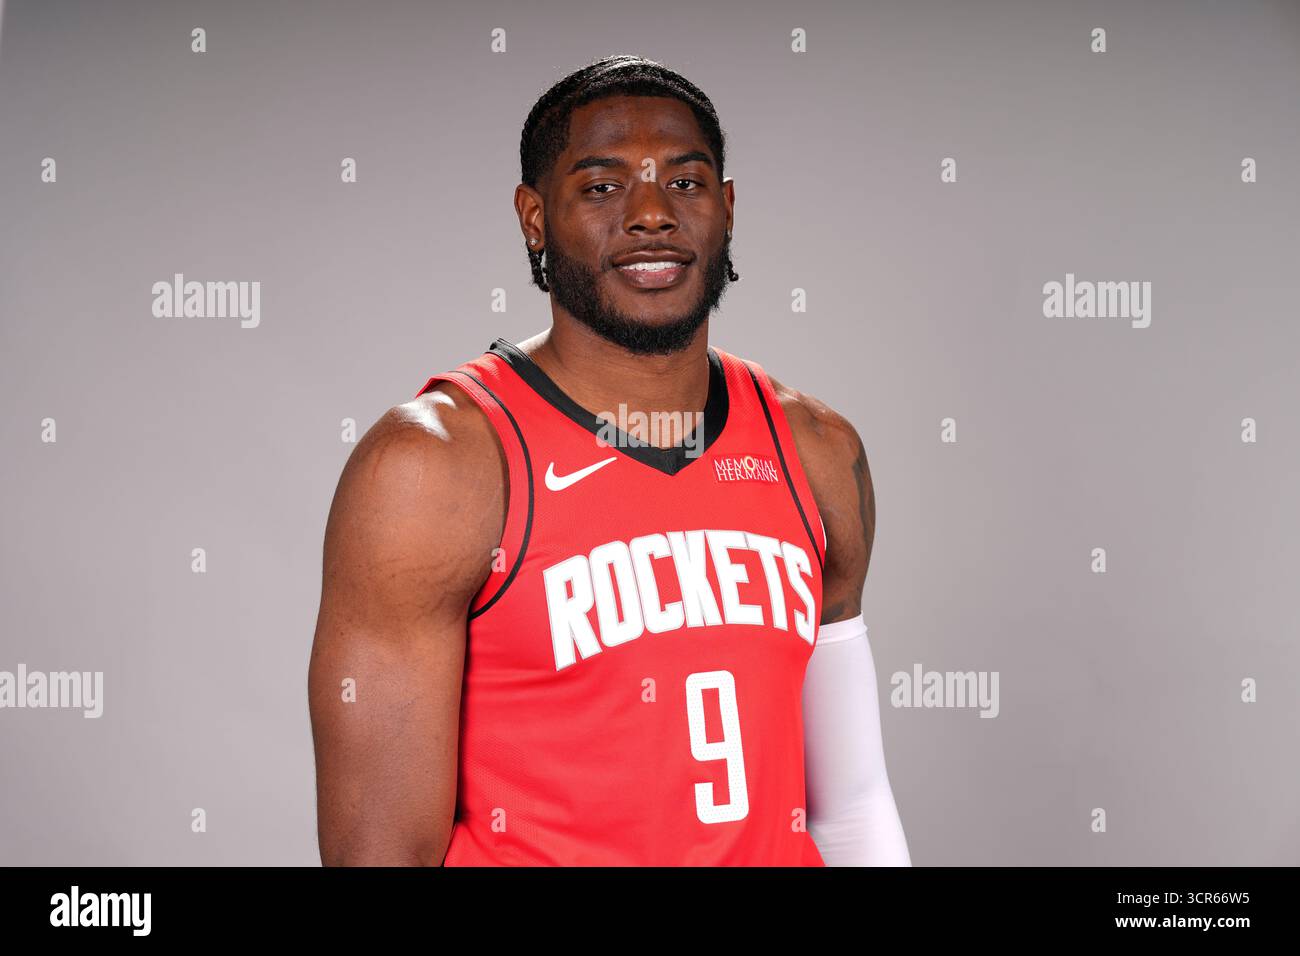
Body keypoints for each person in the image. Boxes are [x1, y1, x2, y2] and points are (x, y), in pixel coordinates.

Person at [308, 55, 909, 866]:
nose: (653, 214)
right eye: (602, 187)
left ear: (728, 209)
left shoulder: (818, 453)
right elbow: (380, 857)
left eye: (687, 184)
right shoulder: (433, 469)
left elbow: (852, 806)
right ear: (533, 217)